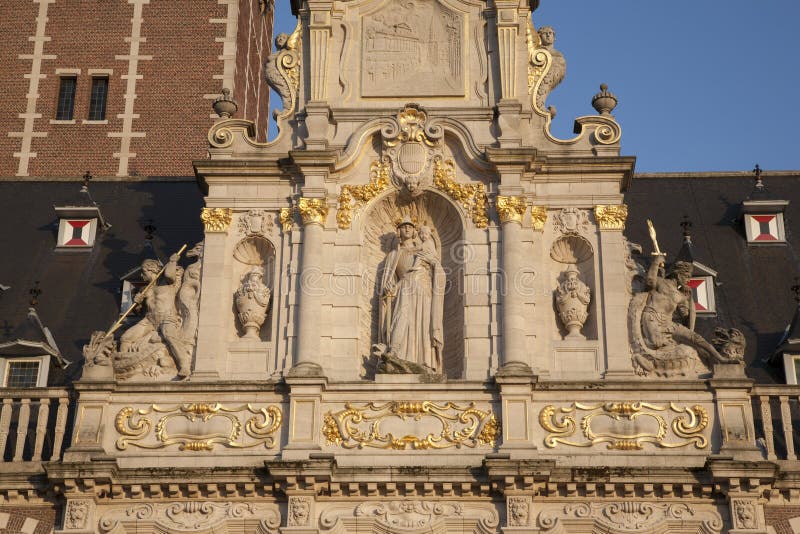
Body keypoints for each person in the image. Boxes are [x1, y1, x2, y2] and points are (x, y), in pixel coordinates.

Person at [378, 218, 445, 372]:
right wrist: (388, 286)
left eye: (410, 226)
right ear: (398, 231)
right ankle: (395, 352)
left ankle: (424, 361)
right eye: (403, 227)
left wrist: (433, 263)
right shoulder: (393, 255)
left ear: (415, 231)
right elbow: (388, 280)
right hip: (404, 288)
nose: (407, 229)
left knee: (423, 322)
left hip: (423, 289)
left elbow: (437, 268)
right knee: (401, 317)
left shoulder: (423, 250)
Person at [120, 254, 192, 377]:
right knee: (126, 338)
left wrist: (172, 261)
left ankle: (184, 365)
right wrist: (137, 302)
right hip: (149, 320)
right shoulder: (144, 289)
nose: (142, 276)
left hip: (166, 317)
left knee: (170, 336)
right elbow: (139, 311)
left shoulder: (167, 283)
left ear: (152, 270)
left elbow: (170, 274)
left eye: (143, 272)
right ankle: (122, 364)